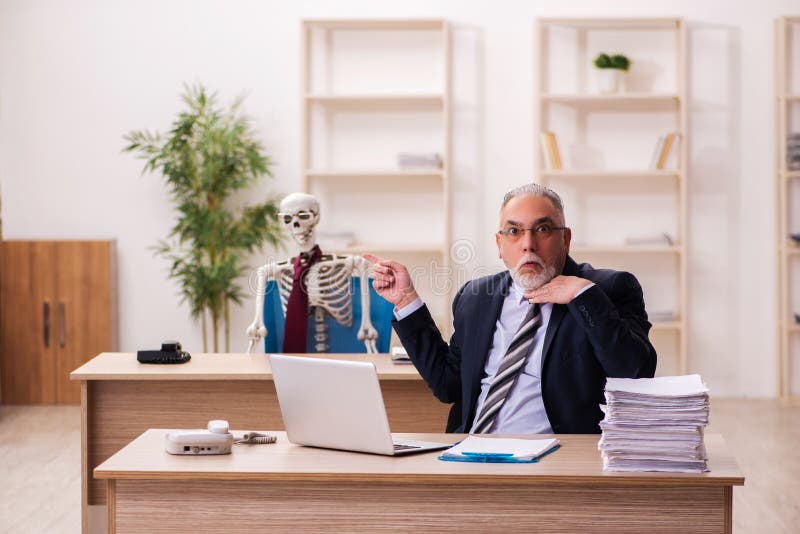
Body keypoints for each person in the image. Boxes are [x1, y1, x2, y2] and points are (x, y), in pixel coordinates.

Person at [364, 183, 656, 434]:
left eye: (542, 229)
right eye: (514, 231)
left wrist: (583, 296)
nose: (528, 244)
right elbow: (449, 386)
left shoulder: (609, 289)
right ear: (499, 244)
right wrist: (406, 301)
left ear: (565, 238)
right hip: (474, 452)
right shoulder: (476, 296)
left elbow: (636, 373)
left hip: (558, 459)